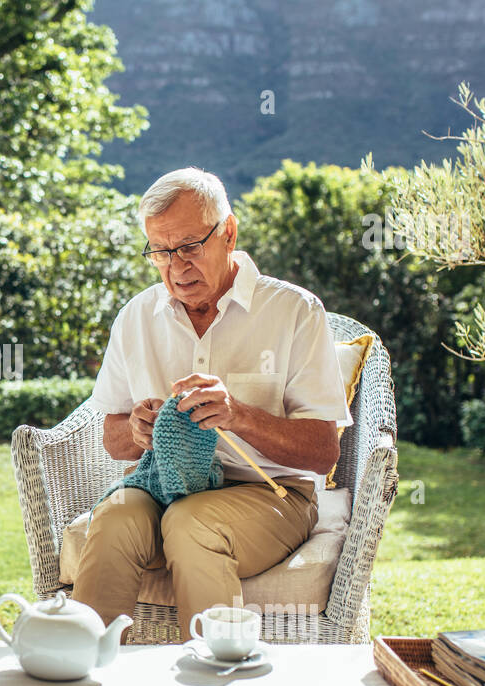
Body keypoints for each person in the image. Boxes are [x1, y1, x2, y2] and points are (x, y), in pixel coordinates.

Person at [74, 167, 350, 638]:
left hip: (273, 496)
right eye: (159, 251)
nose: (176, 265)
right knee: (116, 514)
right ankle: (81, 669)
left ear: (228, 232)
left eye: (189, 246)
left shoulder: (294, 311)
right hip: (161, 486)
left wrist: (240, 416)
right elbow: (114, 439)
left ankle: (213, 683)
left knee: (191, 522)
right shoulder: (137, 315)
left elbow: (324, 452)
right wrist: (139, 430)